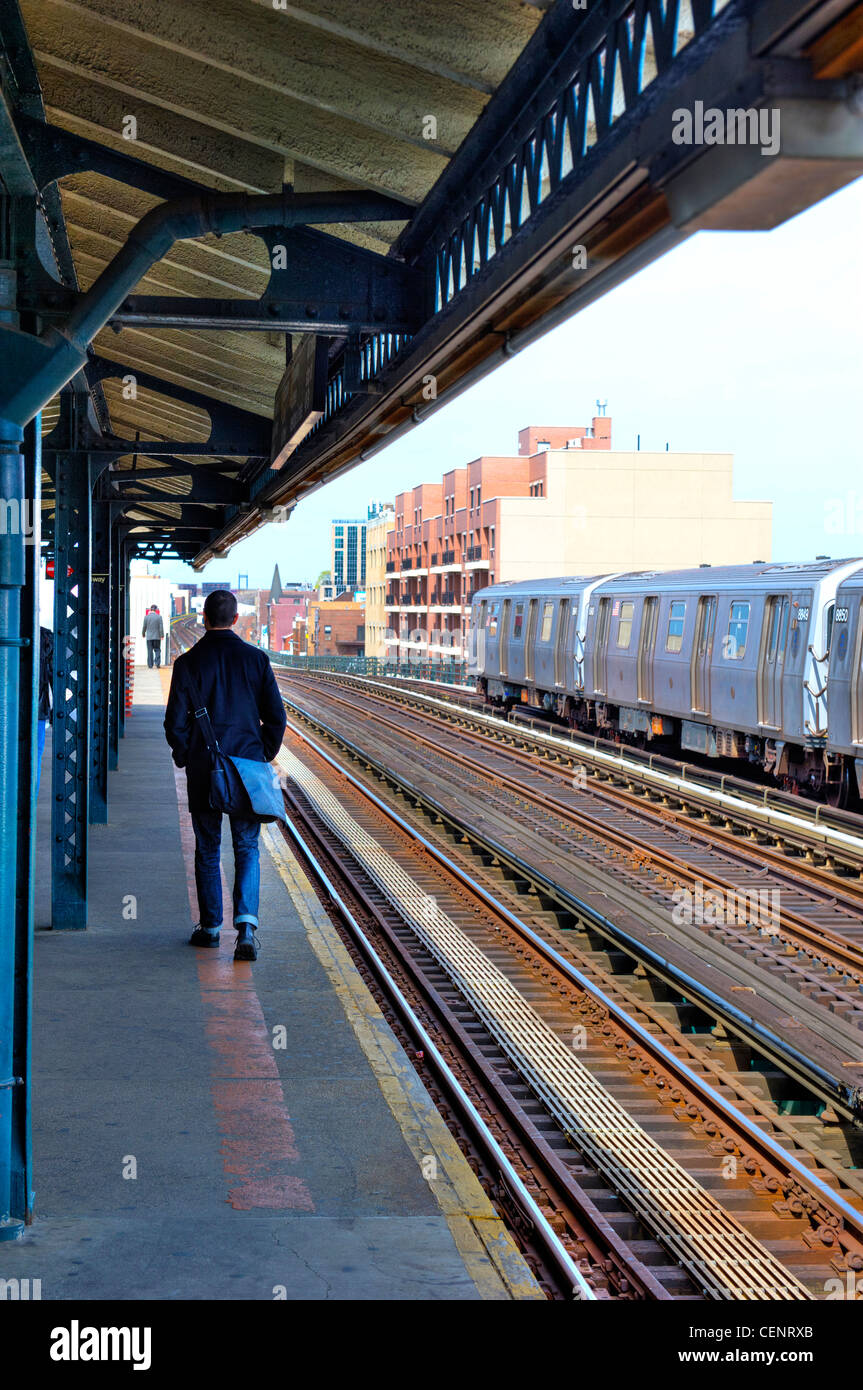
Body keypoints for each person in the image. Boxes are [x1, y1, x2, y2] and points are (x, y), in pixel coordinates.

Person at [164, 589, 286, 961]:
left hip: (205, 769)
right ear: (235, 620)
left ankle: (211, 928)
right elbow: (276, 719)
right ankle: (246, 929)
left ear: (203, 618)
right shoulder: (257, 660)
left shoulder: (188, 663)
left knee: (208, 848)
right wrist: (261, 754)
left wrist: (188, 756)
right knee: (247, 847)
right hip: (247, 770)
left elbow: (174, 723)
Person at [37, 625, 53, 796]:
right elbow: (54, 676)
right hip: (37, 710)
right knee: (34, 758)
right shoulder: (45, 637)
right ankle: (28, 811)